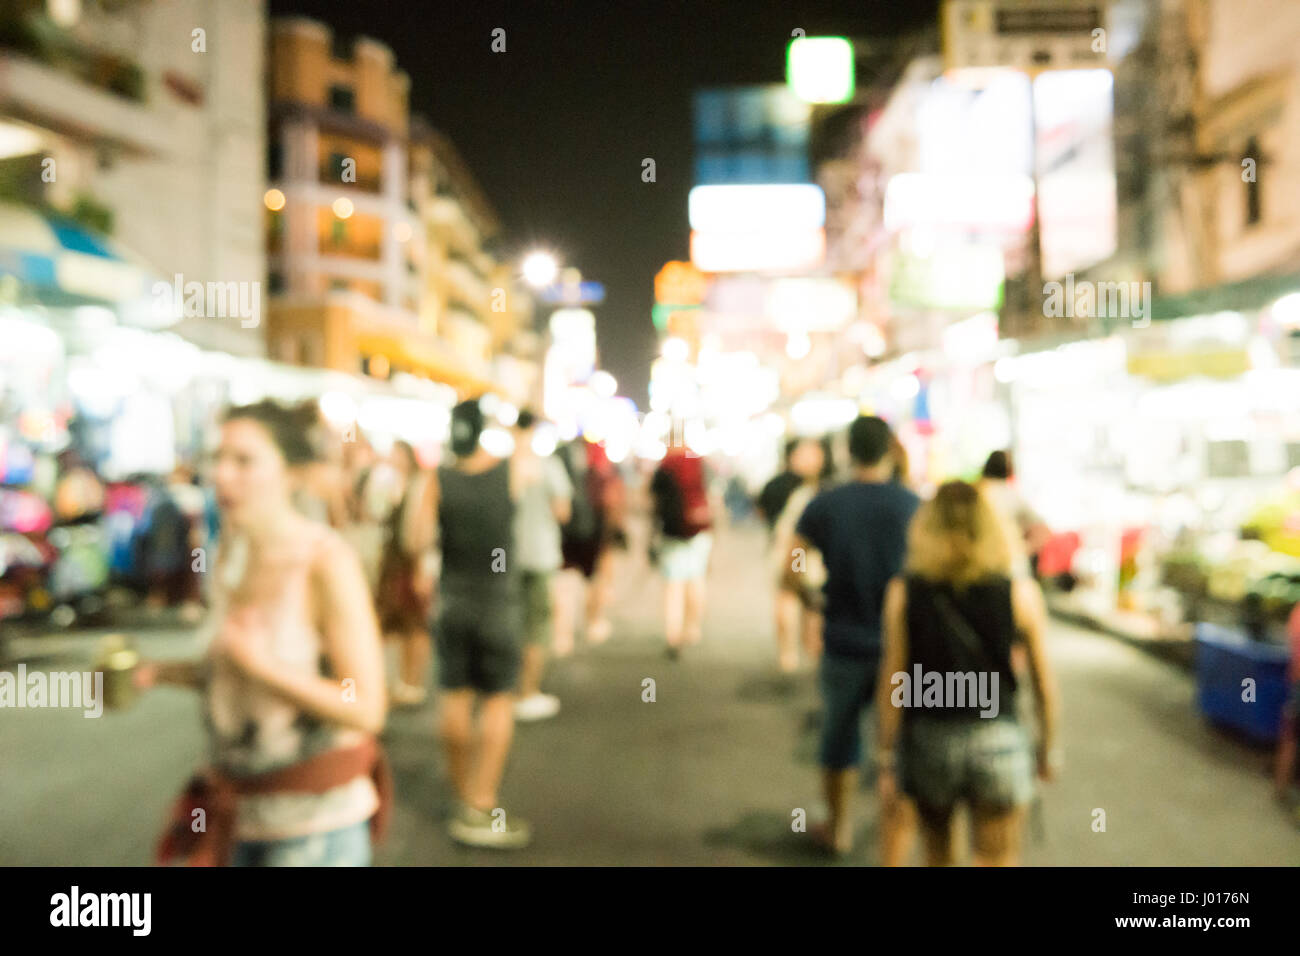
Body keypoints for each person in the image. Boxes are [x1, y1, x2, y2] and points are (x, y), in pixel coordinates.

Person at [137, 400, 389, 866]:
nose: (222, 475)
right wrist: (161, 673)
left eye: (245, 460)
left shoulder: (324, 561)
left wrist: (263, 666)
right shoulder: (232, 551)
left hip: (312, 830)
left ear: (291, 472)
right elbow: (234, 666)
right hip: (240, 816)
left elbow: (367, 708)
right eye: (217, 459)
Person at [876, 480, 1060, 866]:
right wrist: (1048, 747)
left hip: (930, 739)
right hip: (998, 737)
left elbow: (895, 681)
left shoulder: (904, 593)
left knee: (939, 856)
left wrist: (887, 755)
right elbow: (1043, 682)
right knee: (995, 858)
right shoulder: (1019, 593)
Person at [785, 416, 919, 856]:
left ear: (848, 451)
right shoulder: (914, 505)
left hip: (843, 638)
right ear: (888, 450)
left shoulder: (826, 504)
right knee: (896, 746)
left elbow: (794, 564)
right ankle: (892, 844)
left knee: (839, 738)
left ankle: (838, 828)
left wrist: (810, 597)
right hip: (901, 649)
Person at [408, 399, 532, 848]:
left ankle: (462, 793)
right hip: (499, 599)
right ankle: (482, 799)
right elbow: (527, 460)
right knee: (497, 699)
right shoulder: (509, 470)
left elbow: (416, 538)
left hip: (454, 599)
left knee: (454, 695)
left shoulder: (436, 479)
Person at [511, 410, 573, 722]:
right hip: (539, 555)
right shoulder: (549, 466)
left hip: (506, 557)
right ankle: (528, 692)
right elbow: (563, 512)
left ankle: (505, 690)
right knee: (536, 626)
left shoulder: (501, 465)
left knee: (511, 623)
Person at [376, 440, 434, 706]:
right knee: (397, 623)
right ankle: (401, 682)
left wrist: (422, 565)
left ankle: (414, 683)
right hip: (395, 562)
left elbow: (422, 531)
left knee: (416, 623)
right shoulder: (391, 484)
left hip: (413, 562)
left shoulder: (422, 484)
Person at [768, 437, 828, 673]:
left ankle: (791, 653)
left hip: (789, 551)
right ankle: (807, 650)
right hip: (802, 554)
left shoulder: (776, 484)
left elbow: (764, 513)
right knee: (804, 599)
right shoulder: (819, 487)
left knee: (792, 596)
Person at [650, 442, 713, 659]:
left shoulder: (663, 467)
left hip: (671, 532)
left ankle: (672, 634)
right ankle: (692, 628)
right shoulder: (699, 463)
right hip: (699, 531)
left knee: (673, 586)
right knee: (696, 580)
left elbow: (653, 502)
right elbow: (711, 498)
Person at [978, 450, 1049, 578]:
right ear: (1009, 469)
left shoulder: (975, 493)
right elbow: (1044, 530)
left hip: (980, 566)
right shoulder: (1012, 495)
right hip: (1011, 568)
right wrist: (1022, 549)